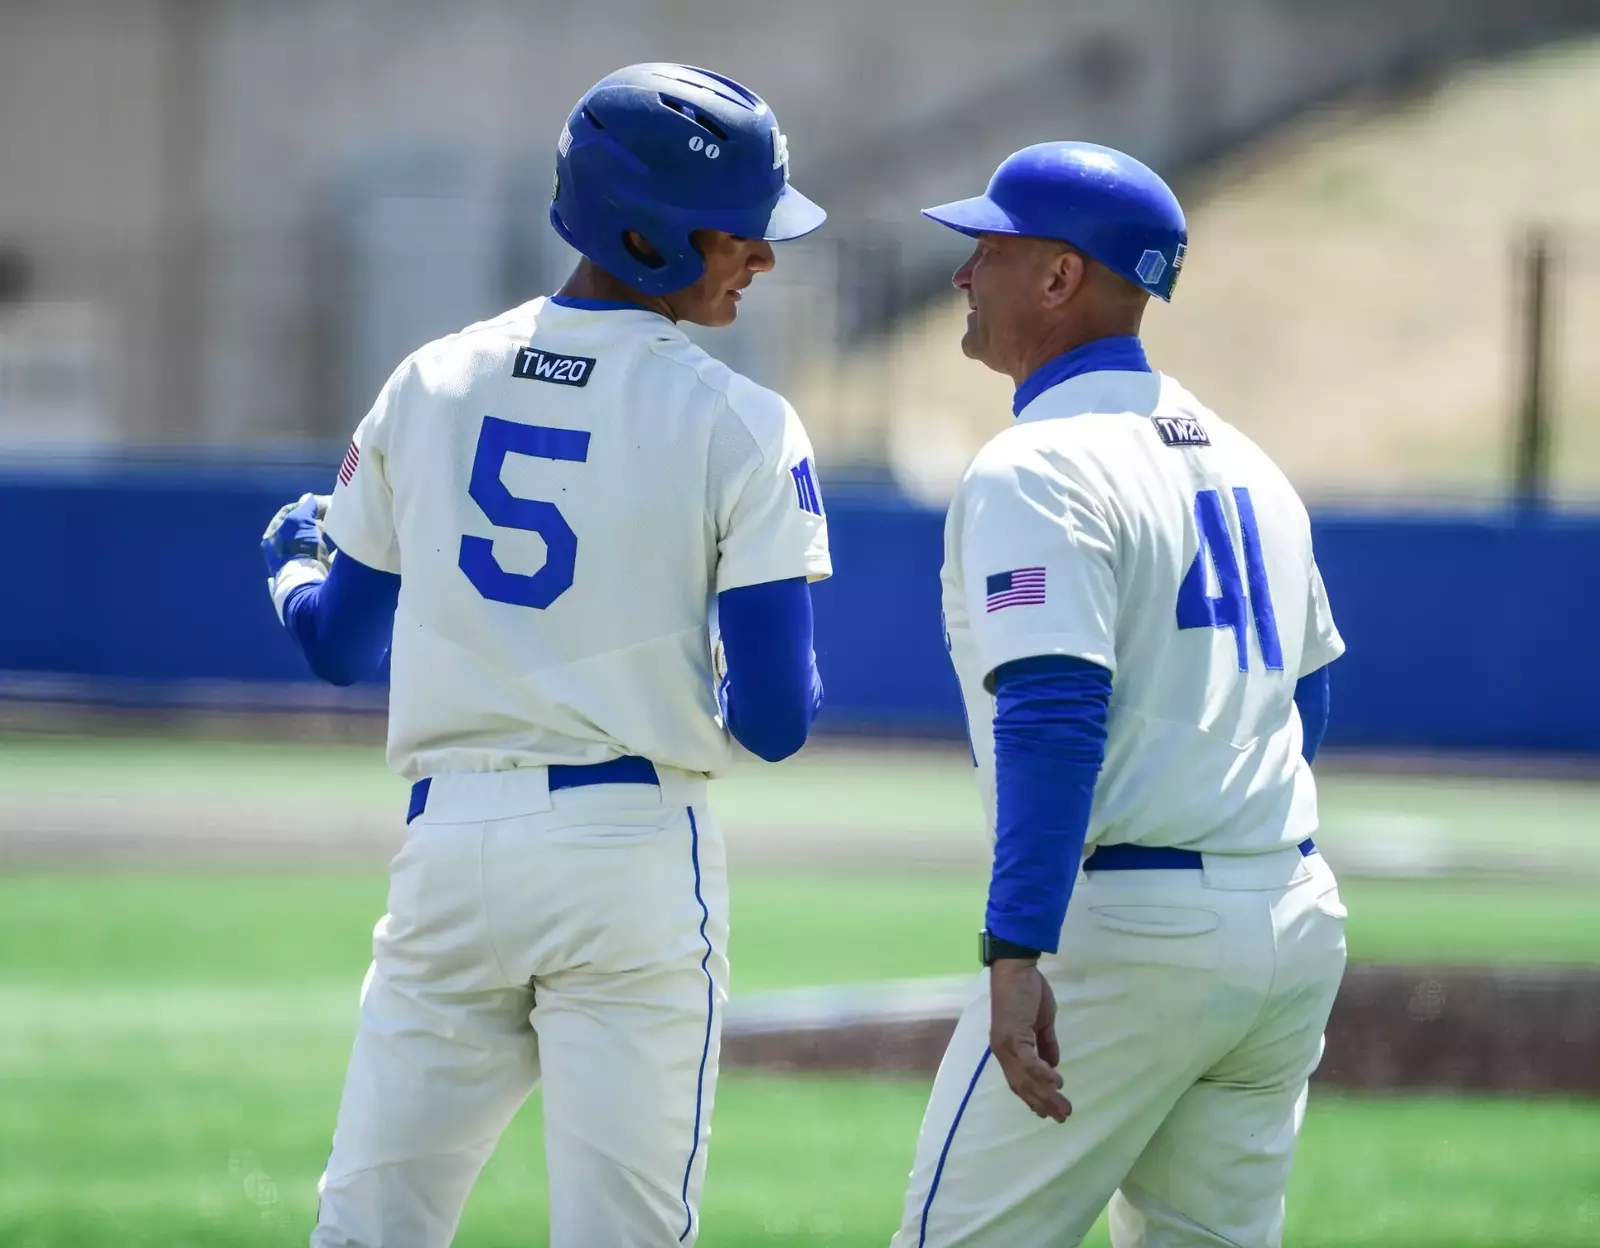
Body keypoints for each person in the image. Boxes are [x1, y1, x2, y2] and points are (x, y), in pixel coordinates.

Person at [257, 62, 831, 1247]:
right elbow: (777, 718)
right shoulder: (742, 420)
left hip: (448, 851)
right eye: (741, 234)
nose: (763, 258)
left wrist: (289, 562)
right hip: (627, 853)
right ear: (650, 231)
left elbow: (335, 644)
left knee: (370, 1227)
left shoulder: (431, 378)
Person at [893, 141, 1347, 1247]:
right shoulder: (1247, 459)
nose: (961, 273)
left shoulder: (1038, 463)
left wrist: (1016, 949)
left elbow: (1052, 717)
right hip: (1285, 916)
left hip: (1129, 926)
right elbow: (1308, 705)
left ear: (1059, 277)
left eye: (988, 249)